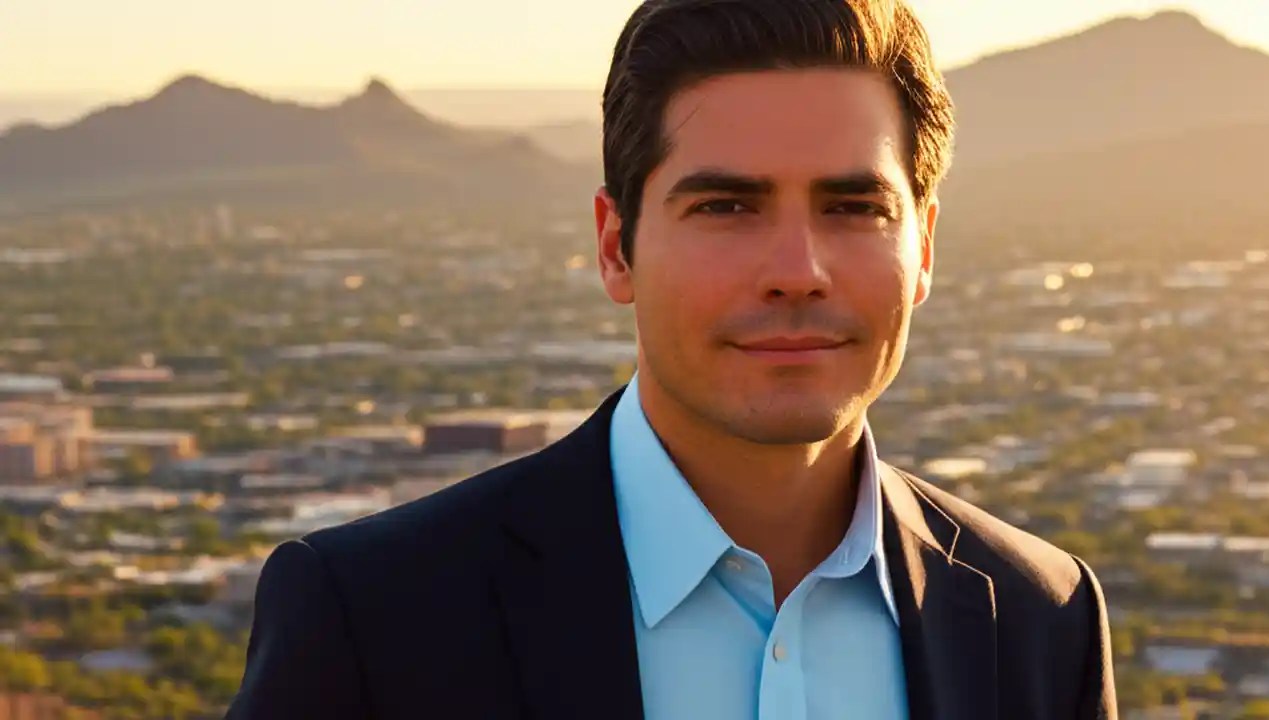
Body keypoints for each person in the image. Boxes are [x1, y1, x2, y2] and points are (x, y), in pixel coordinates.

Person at [225, 0, 1118, 717]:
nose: (796, 272)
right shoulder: (374, 618)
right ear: (617, 248)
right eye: (728, 207)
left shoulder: (1040, 619)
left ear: (923, 247)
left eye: (853, 208)